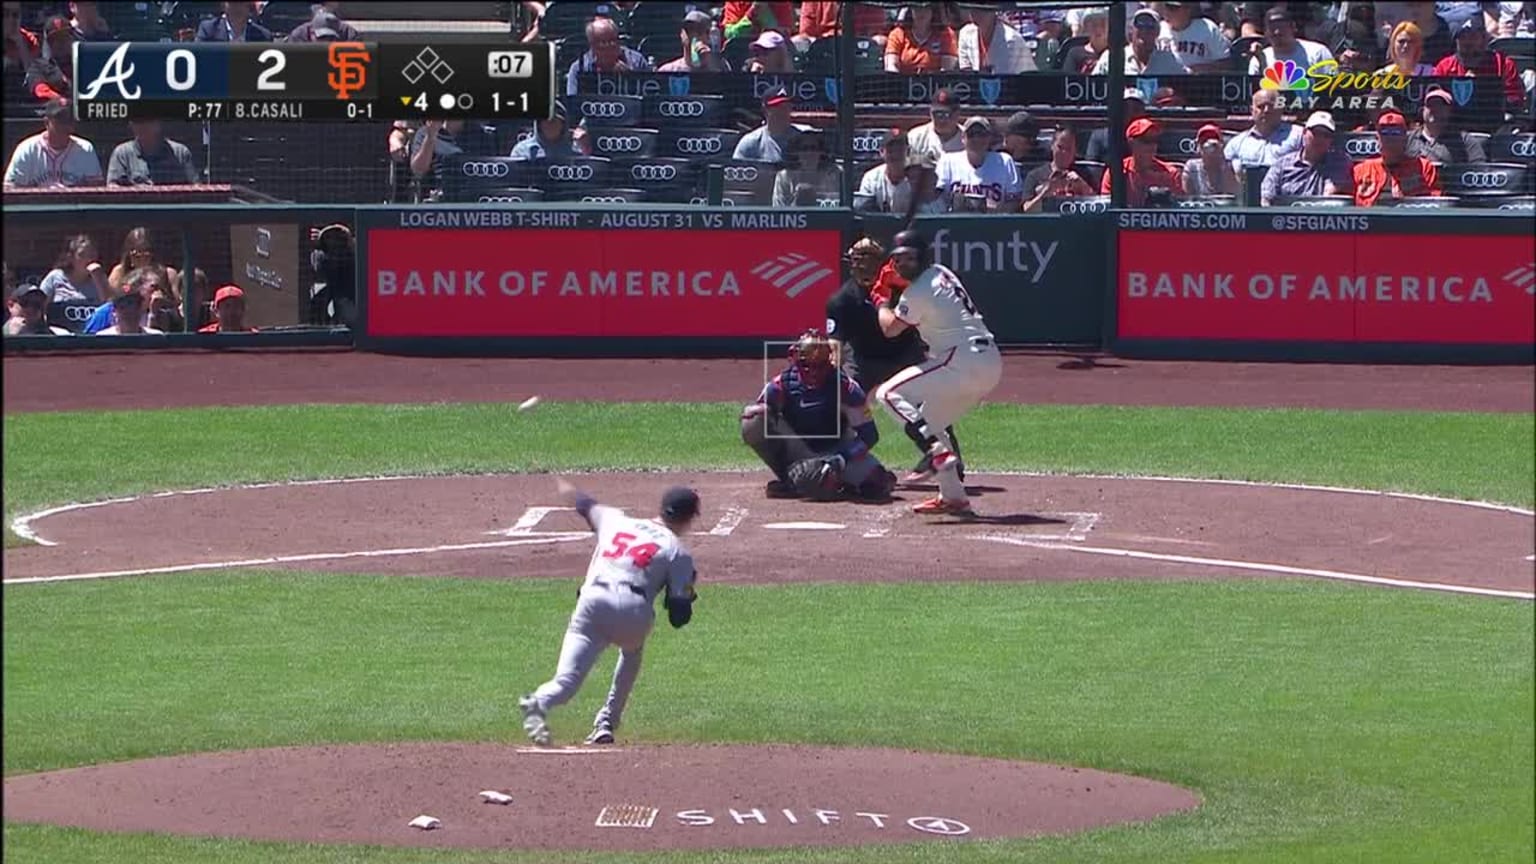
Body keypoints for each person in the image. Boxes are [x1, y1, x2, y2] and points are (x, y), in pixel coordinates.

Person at [518, 480, 702, 747]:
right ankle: (606, 721)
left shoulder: (615, 520)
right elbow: (678, 618)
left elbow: (583, 503)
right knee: (632, 652)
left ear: (662, 508)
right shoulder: (678, 552)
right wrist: (686, 593)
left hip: (592, 602)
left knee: (566, 682)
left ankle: (538, 702)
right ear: (688, 519)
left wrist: (560, 483)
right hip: (633, 610)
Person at [872, 229, 1001, 515]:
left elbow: (891, 329)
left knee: (888, 394)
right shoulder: (941, 273)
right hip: (987, 362)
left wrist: (881, 298)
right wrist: (898, 286)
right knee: (929, 420)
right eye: (899, 259)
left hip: (963, 359)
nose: (903, 264)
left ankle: (934, 451)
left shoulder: (917, 291)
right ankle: (953, 496)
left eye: (909, 258)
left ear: (922, 257)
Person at [828, 237, 962, 485]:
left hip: (904, 354)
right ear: (850, 263)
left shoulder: (902, 288)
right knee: (841, 401)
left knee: (930, 404)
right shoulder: (841, 299)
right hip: (863, 360)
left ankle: (950, 460)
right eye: (860, 259)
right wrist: (836, 377)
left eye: (870, 259)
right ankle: (840, 462)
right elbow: (835, 343)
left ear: (882, 264)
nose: (865, 266)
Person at [740, 329, 896, 501]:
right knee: (752, 422)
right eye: (808, 365)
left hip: (837, 449)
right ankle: (791, 479)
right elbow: (759, 412)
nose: (813, 372)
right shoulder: (781, 385)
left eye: (819, 365)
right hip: (799, 448)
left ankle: (831, 481)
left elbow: (869, 435)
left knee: (876, 484)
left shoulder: (846, 388)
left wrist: (841, 459)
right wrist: (761, 409)